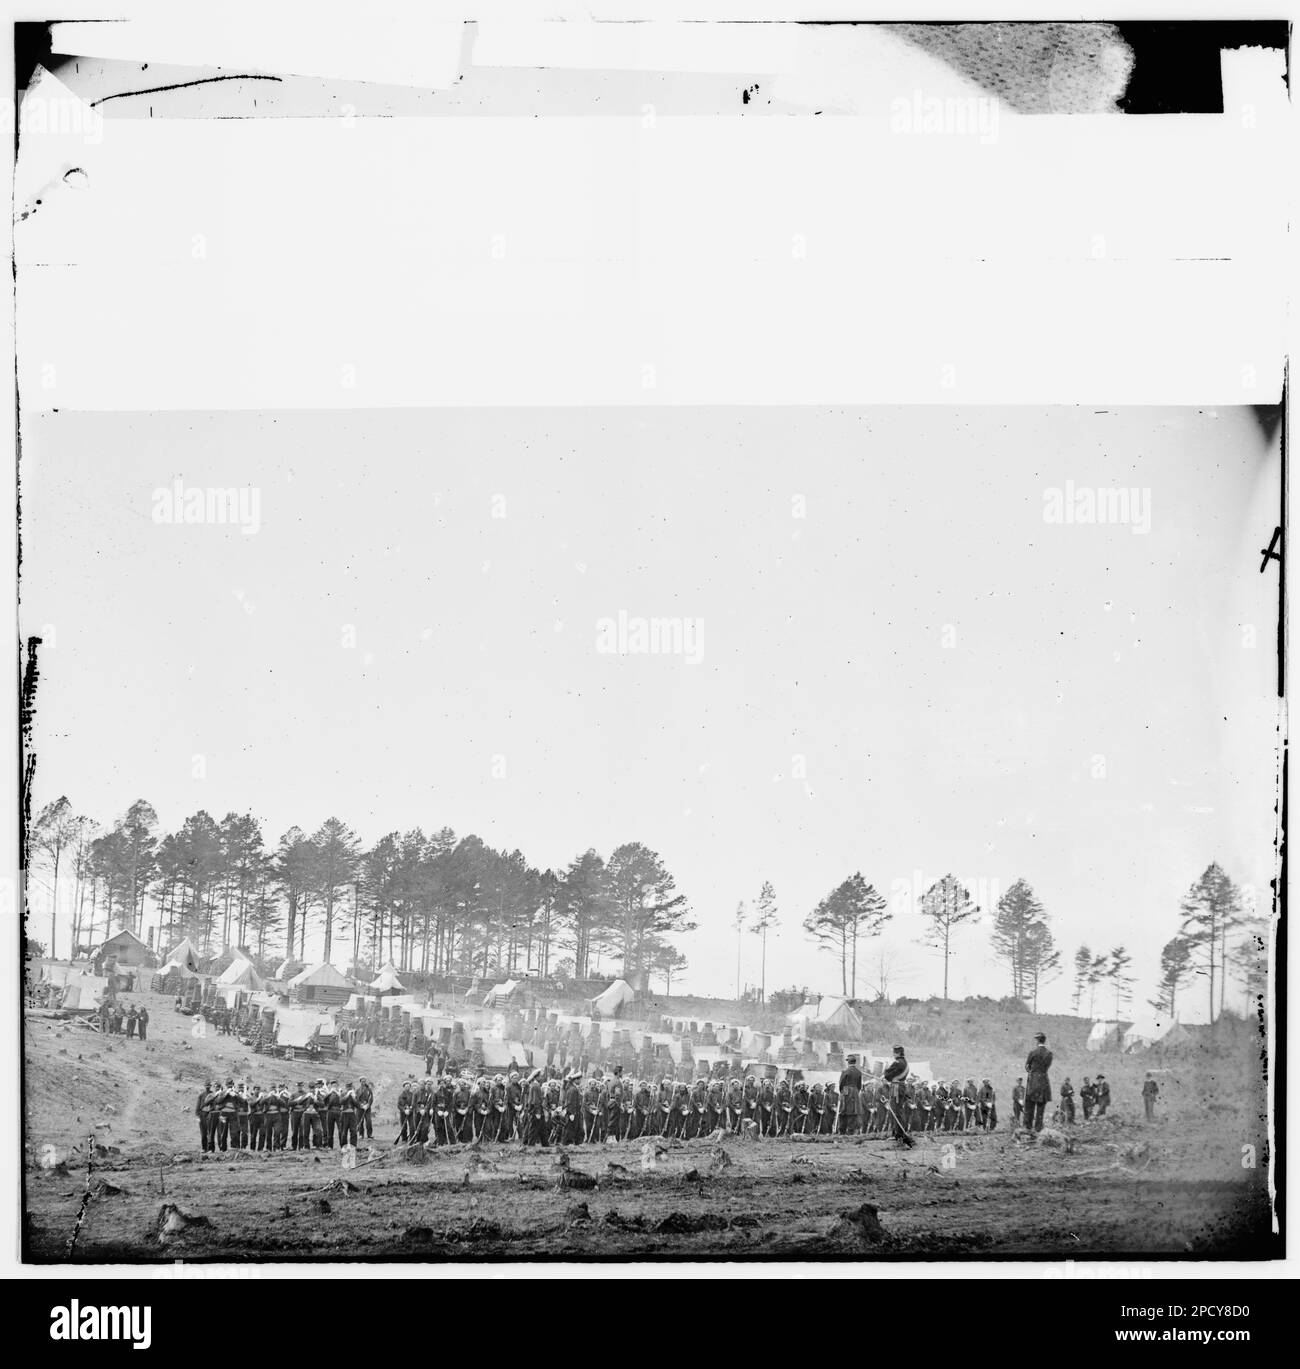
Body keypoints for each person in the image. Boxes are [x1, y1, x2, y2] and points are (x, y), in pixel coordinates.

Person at [883, 1045, 913, 1146]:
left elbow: (887, 1074)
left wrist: (885, 1073)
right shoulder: (905, 1063)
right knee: (897, 1111)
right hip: (900, 1087)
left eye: (894, 1052)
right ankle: (897, 1133)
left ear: (898, 1053)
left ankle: (899, 1135)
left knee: (896, 1112)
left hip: (896, 1088)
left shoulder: (898, 1062)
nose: (893, 1054)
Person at [1024, 1033, 1053, 1133]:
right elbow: (1047, 1067)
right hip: (1044, 1081)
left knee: (1030, 1105)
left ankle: (1028, 1128)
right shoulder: (1049, 1054)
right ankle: (1038, 1129)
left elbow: (1027, 1067)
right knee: (1041, 1107)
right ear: (1044, 1041)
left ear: (1037, 1041)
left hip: (1033, 1081)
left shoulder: (1033, 1052)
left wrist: (1032, 1071)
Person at [838, 1054, 863, 1135]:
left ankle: (842, 1131)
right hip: (855, 1092)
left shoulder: (845, 1072)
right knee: (853, 1111)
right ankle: (850, 1131)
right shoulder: (859, 1072)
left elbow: (841, 1084)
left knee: (844, 1111)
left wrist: (842, 1092)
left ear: (848, 1062)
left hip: (846, 1091)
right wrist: (855, 1092)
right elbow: (859, 1085)